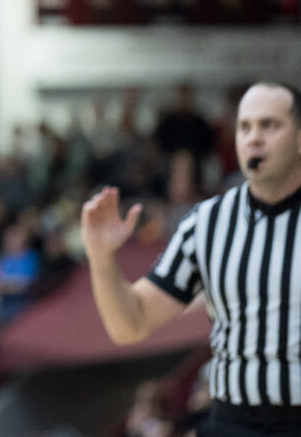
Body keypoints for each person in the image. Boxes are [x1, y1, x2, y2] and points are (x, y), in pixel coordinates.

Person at [82, 80, 301, 436]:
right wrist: (102, 256)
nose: (253, 138)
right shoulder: (207, 223)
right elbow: (131, 324)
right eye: (245, 127)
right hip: (231, 422)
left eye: (269, 125)